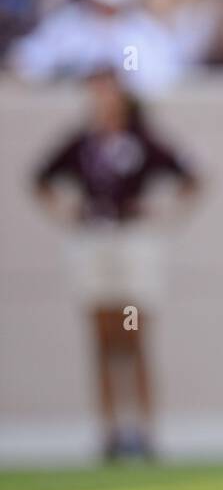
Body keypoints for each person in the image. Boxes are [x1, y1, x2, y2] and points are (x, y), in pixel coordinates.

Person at [33, 69, 198, 460]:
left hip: (133, 240)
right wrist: (66, 212)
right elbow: (40, 178)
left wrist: (161, 212)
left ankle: (145, 427)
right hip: (94, 240)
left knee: (135, 333)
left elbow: (190, 176)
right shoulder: (81, 143)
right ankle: (109, 429)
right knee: (103, 337)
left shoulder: (142, 140)